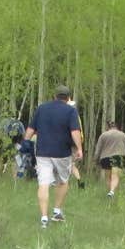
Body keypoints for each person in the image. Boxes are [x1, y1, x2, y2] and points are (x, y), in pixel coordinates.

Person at [25, 85, 83, 227]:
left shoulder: (41, 108)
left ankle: (44, 218)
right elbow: (75, 131)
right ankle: (57, 211)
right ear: (68, 98)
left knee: (43, 183)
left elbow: (31, 129)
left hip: (42, 152)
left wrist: (25, 143)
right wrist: (79, 149)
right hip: (62, 152)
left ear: (54, 96)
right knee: (63, 181)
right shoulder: (70, 111)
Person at [94, 120, 125, 197]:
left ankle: (111, 195)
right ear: (117, 127)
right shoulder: (122, 135)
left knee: (108, 177)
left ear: (108, 127)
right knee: (115, 176)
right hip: (118, 157)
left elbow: (98, 150)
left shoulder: (103, 135)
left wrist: (96, 160)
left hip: (105, 158)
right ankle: (112, 192)